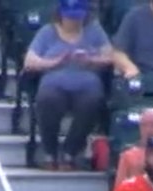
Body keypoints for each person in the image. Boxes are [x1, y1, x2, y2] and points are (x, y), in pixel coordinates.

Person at [23, 0, 114, 171]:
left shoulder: (94, 30)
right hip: (54, 83)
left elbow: (110, 57)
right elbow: (30, 61)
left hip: (87, 84)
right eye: (70, 17)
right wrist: (54, 62)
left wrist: (90, 60)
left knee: (92, 101)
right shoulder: (47, 32)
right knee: (47, 99)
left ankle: (70, 151)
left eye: (77, 17)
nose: (73, 21)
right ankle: (50, 151)